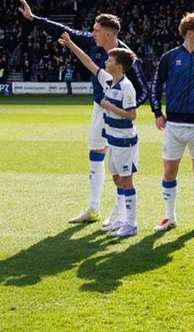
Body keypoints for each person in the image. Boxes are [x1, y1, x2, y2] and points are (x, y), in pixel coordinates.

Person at [18, 0, 147, 224]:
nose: (92, 33)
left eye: (96, 30)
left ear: (108, 34)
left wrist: (123, 108)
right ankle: (93, 208)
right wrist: (34, 18)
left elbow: (143, 90)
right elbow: (63, 31)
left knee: (119, 168)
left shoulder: (125, 56)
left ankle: (120, 214)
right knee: (95, 155)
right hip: (99, 109)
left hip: (117, 116)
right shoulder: (91, 43)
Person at [58, 33, 140, 238]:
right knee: (116, 178)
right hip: (112, 139)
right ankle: (120, 217)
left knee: (126, 180)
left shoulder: (127, 87)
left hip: (124, 141)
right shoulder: (108, 80)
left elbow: (132, 114)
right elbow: (88, 63)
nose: (105, 62)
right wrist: (71, 45)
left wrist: (108, 105)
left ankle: (131, 223)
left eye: (110, 60)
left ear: (119, 66)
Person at [151, 12, 194, 233]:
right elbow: (155, 86)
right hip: (173, 126)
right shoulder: (170, 58)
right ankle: (169, 217)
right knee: (169, 171)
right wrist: (157, 112)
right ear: (190, 33)